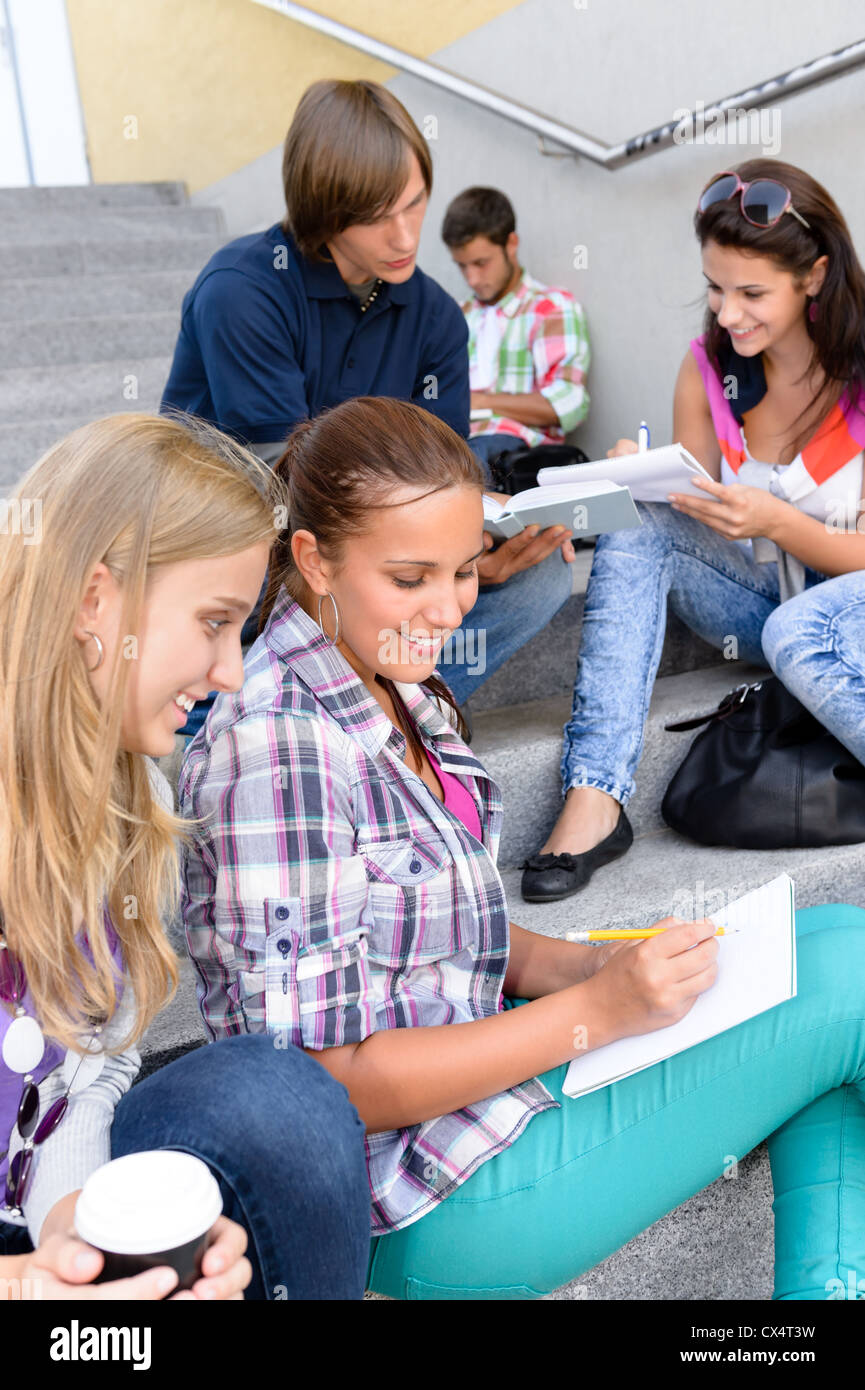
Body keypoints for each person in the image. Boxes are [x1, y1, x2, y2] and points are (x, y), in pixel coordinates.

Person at [179, 394, 865, 1301]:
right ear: (313, 559)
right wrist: (604, 1012)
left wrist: (590, 966)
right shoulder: (277, 745)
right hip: (430, 1195)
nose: (448, 605)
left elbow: (456, 941)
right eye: (411, 576)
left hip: (489, 1095)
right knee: (849, 980)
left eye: (465, 571)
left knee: (813, 953)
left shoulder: (393, 684)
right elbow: (327, 1083)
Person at [0, 413, 370, 1301]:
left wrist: (79, 1237)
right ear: (97, 602)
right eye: (213, 622)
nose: (232, 672)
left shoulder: (140, 800)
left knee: (274, 1099)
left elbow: (88, 1074)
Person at [161, 79, 575, 735]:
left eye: (414, 204)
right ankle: (312, 717)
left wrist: (470, 558)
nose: (406, 234)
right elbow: (281, 499)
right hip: (250, 558)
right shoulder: (241, 291)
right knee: (330, 568)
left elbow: (438, 479)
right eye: (378, 216)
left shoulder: (435, 316)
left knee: (542, 578)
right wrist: (437, 566)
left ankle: (376, 715)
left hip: (372, 568)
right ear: (323, 210)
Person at [521, 157, 865, 903]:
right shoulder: (708, 367)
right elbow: (692, 499)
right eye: (715, 288)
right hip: (767, 610)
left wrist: (775, 518)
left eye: (751, 293)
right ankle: (594, 796)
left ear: (812, 276)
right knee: (639, 516)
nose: (727, 312)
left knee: (798, 627)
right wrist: (637, 475)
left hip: (846, 605)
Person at [441, 185, 591, 471]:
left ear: (511, 244)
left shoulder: (550, 307)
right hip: (451, 444)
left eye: (481, 263)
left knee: (461, 468)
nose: (472, 278)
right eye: (462, 266)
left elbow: (568, 404)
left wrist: (478, 401)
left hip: (513, 450)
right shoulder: (453, 316)